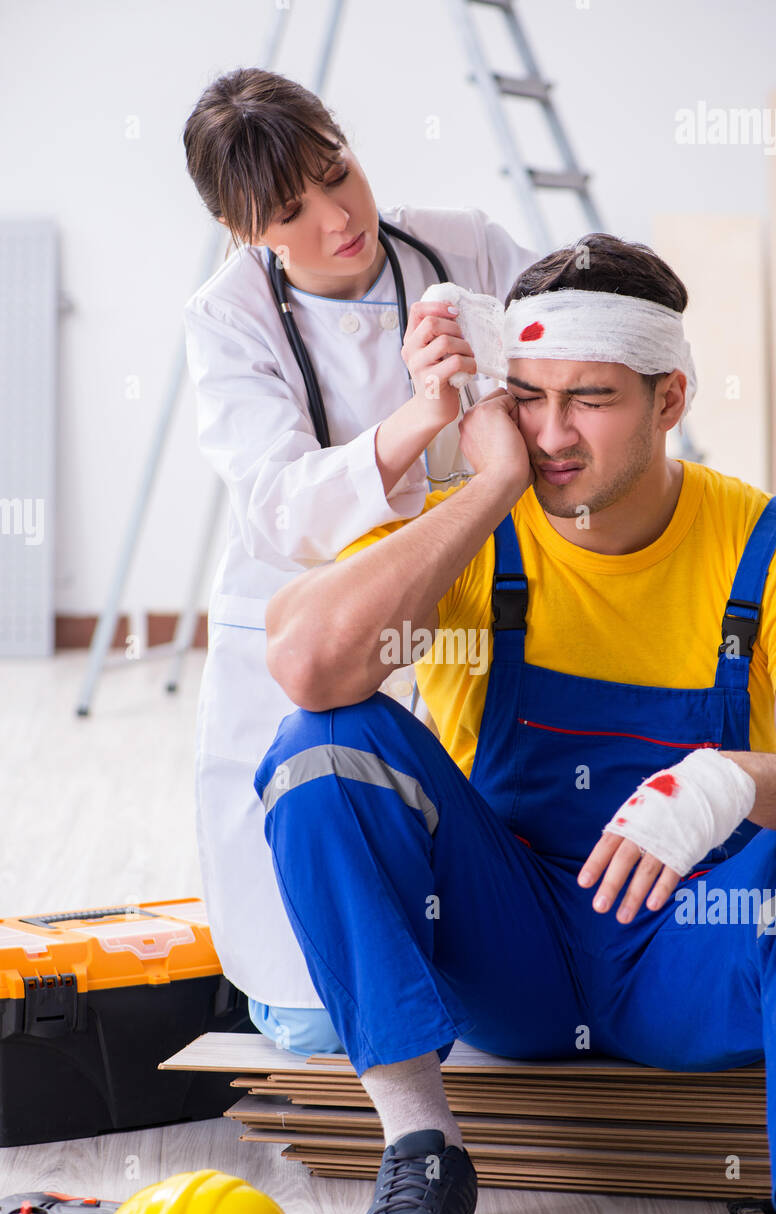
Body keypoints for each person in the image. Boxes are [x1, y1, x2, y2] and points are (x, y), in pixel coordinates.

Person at [257, 231, 776, 1214]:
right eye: (526, 398)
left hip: (694, 947)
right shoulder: (477, 532)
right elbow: (307, 666)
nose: (551, 435)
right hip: (511, 951)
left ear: (670, 398)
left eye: (589, 398)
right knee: (322, 752)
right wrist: (485, 487)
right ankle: (422, 1150)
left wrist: (738, 778)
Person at [180, 67, 537, 1055]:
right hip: (308, 615)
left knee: (491, 957)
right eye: (295, 210)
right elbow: (280, 504)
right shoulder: (230, 317)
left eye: (340, 173)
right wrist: (426, 413)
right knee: (310, 1020)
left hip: (468, 603)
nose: (340, 216)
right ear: (248, 228)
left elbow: (578, 340)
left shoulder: (462, 247)